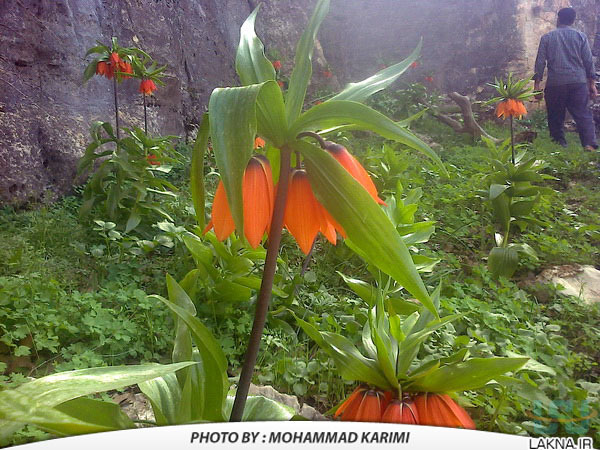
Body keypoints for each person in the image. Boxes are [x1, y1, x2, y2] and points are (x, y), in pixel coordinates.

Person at [533, 7, 598, 151]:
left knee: (555, 116)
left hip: (555, 83)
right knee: (583, 114)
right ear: (573, 20)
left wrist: (536, 86)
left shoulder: (547, 38)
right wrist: (592, 84)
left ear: (558, 19)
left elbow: (540, 62)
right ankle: (588, 144)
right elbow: (588, 61)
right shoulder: (581, 36)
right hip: (578, 82)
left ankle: (559, 146)